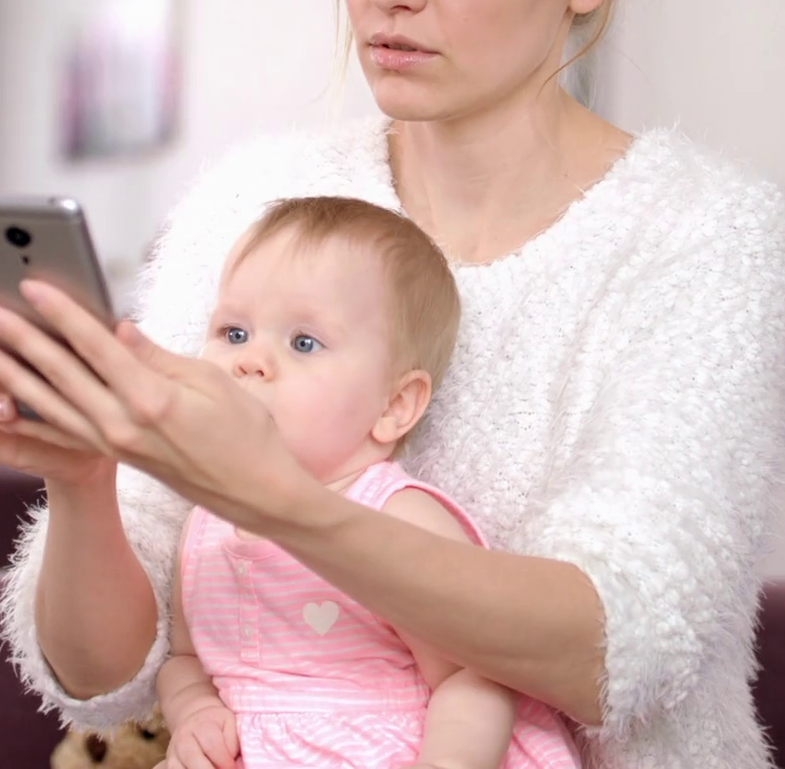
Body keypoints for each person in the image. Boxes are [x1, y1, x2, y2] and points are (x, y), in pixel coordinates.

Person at [0, 0, 785, 766]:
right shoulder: (252, 199)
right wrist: (83, 484)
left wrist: (276, 497)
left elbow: (620, 651)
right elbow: (110, 680)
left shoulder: (703, 231)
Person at [158, 196, 577, 769]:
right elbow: (185, 658)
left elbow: (472, 678)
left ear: (395, 406)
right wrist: (193, 710)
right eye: (233, 333)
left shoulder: (395, 519)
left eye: (303, 342)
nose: (251, 361)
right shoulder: (204, 523)